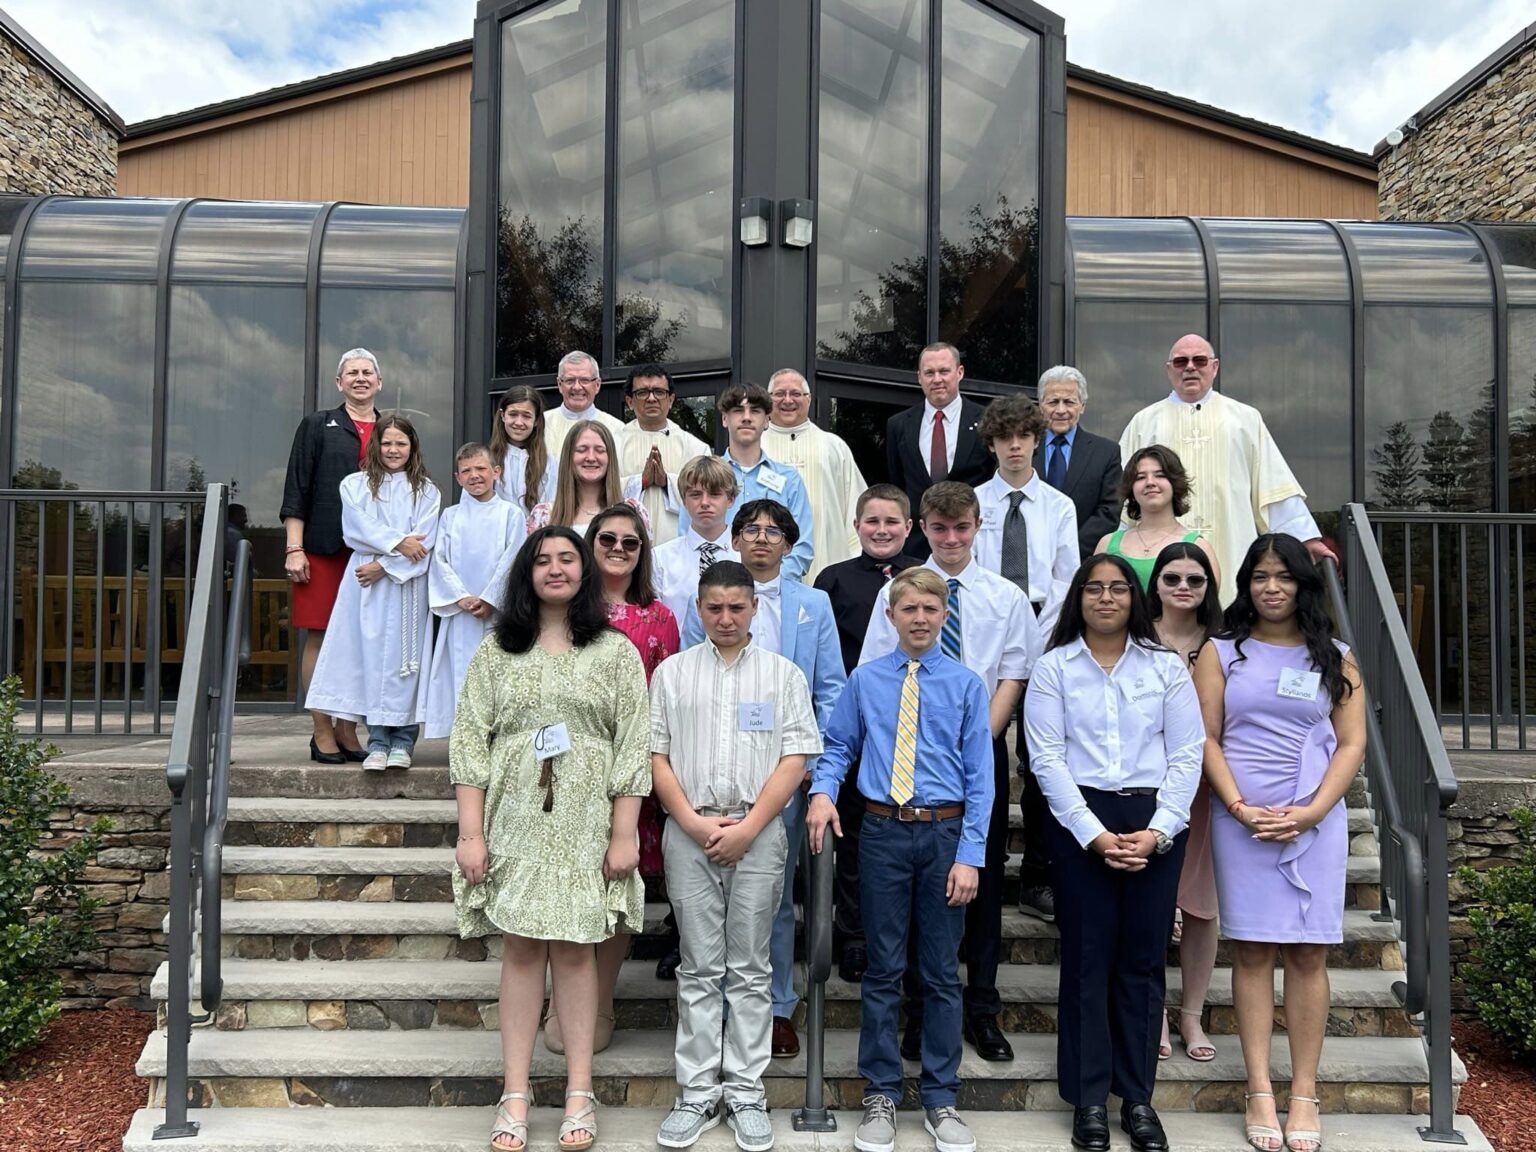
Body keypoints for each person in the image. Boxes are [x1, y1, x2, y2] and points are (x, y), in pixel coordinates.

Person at [450, 526, 650, 1152]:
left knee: (575, 952)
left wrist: (624, 833)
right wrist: (470, 833)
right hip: (515, 821)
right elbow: (468, 743)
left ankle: (578, 1092)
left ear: (585, 570)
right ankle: (514, 1094)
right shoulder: (496, 651)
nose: (556, 569)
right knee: (520, 952)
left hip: (587, 824)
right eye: (543, 560)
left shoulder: (615, 652)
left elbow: (633, 747)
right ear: (527, 574)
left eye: (567, 558)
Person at [1023, 553, 1205, 1152]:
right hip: (1080, 822)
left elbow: (1187, 754)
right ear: (1078, 597)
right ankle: (1088, 1100)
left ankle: (1138, 1098)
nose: (1106, 598)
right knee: (1086, 960)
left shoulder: (1165, 667)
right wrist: (1093, 834)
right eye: (1095, 588)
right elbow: (1046, 759)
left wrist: (1160, 830)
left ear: (1135, 598)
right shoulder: (1053, 668)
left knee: (1143, 962)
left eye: (1118, 588)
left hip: (1154, 819)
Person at [807, 566, 992, 1152]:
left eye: (930, 609)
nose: (919, 618)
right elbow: (839, 745)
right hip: (884, 831)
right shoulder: (866, 680)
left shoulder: (966, 685)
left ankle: (940, 1097)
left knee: (940, 972)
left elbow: (981, 778)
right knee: (883, 968)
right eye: (908, 609)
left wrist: (970, 855)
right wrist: (822, 792)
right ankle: (881, 1093)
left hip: (944, 834)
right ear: (890, 616)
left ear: (944, 616)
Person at [859, 482, 1042, 1063]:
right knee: (919, 897)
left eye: (962, 527)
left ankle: (981, 1009)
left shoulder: (1005, 596)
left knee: (978, 882)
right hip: (909, 759)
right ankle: (919, 1014)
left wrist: (977, 736)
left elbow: (1014, 672)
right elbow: (874, 669)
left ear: (978, 526)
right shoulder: (901, 593)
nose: (952, 538)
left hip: (979, 743)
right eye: (939, 528)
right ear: (923, 528)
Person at [1193, 534, 1365, 1152]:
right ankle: (1260, 1089)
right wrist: (1239, 808)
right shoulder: (1221, 651)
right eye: (1260, 576)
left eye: (1284, 577)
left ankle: (1306, 1093)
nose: (1272, 587)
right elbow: (1206, 738)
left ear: (1302, 585)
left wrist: (1312, 811)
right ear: (1246, 584)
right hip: (1240, 818)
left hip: (1314, 819)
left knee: (1309, 954)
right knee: (1251, 951)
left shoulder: (1337, 656)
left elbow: (1351, 743)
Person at [649, 561, 823, 1152]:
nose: (726, 618)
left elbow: (795, 759)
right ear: (699, 609)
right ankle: (697, 1091)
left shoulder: (782, 675)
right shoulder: (672, 674)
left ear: (754, 608)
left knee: (750, 967)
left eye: (737, 607)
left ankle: (746, 1090)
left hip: (759, 831)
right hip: (690, 829)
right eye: (714, 607)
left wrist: (749, 828)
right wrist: (693, 823)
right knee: (699, 966)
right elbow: (656, 757)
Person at [680, 501, 845, 1059]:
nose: (761, 538)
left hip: (787, 772)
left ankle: (775, 1006)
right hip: (716, 768)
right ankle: (718, 1007)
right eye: (750, 528)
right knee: (713, 898)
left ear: (790, 544)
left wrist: (816, 767)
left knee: (773, 897)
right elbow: (690, 680)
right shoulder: (707, 602)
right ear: (735, 538)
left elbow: (830, 688)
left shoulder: (813, 604)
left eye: (774, 531)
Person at [542, 504, 681, 1058]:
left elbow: (666, 701)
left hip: (632, 768)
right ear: (590, 546)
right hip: (566, 764)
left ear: (642, 552)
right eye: (607, 540)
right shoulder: (564, 610)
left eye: (630, 542)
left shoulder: (660, 617)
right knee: (565, 877)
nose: (619, 549)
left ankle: (599, 997)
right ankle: (560, 996)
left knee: (618, 882)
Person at [1119, 334, 1335, 604]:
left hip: (1233, 548)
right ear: (1169, 369)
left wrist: (1304, 538)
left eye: (1199, 360)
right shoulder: (1143, 422)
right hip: (1161, 553)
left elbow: (1272, 486)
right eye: (1181, 362)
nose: (1190, 367)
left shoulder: (1245, 419)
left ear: (1215, 367)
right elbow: (1125, 494)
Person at [972, 395, 1079, 925]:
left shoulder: (1059, 506)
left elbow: (1066, 579)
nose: (1014, 446)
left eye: (1023, 436)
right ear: (991, 443)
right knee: (982, 754)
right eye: (1004, 437)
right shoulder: (974, 502)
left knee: (1040, 763)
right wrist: (1001, 634)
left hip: (1045, 633)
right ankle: (983, 867)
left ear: (1037, 441)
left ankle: (1037, 877)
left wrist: (1036, 638)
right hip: (984, 638)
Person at [812, 483, 921, 980]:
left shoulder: (923, 576)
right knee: (854, 835)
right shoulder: (832, 580)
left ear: (909, 527)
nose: (881, 530)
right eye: (872, 521)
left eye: (891, 522)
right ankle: (853, 936)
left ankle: (908, 938)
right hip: (855, 725)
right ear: (856, 526)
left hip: (915, 728)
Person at [305, 413, 441, 771]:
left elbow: (424, 544)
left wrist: (384, 565)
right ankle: (377, 741)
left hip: (405, 583)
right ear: (375, 446)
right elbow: (357, 528)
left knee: (405, 662)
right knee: (368, 658)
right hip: (364, 584)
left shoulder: (427, 490)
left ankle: (403, 743)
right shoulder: (355, 485)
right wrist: (398, 542)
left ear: (412, 447)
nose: (393, 450)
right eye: (387, 442)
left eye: (401, 443)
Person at [280, 348, 384, 763]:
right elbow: (297, 488)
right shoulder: (318, 425)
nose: (360, 378)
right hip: (323, 550)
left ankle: (347, 727)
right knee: (321, 637)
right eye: (351, 372)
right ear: (339, 383)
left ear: (379, 382)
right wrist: (294, 547)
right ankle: (321, 727)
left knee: (361, 641)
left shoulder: (390, 430)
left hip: (371, 555)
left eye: (367, 372)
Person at [1146, 541, 1224, 1065]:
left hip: (1208, 787)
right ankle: (1153, 1011)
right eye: (1172, 578)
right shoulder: (1136, 636)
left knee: (1201, 906)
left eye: (1195, 580)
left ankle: (1191, 1013)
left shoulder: (1227, 642)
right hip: (1147, 784)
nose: (1183, 588)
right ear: (1155, 583)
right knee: (1151, 903)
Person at [423, 443, 527, 739]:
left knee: (497, 676)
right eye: (466, 471)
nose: (474, 475)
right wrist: (461, 597)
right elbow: (440, 560)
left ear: (496, 472)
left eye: (481, 468)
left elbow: (513, 559)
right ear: (457, 478)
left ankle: (498, 740)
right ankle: (465, 741)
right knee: (462, 674)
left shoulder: (511, 514)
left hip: (497, 615)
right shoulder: (450, 516)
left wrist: (491, 598)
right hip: (461, 615)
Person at [678, 385, 814, 580]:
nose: (747, 418)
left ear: (767, 420)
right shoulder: (702, 477)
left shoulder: (789, 480)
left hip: (775, 590)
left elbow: (802, 548)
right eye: (738, 410)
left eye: (755, 411)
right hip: (716, 587)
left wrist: (765, 581)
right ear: (724, 419)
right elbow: (687, 538)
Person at [884, 344, 995, 559]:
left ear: (959, 373)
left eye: (944, 371)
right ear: (919, 377)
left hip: (970, 545)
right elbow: (896, 486)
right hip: (916, 548)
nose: (937, 379)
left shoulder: (985, 421)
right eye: (929, 373)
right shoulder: (899, 425)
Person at [760, 368, 866, 580]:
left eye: (796, 393)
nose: (787, 400)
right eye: (779, 394)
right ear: (768, 400)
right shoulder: (755, 446)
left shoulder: (833, 445)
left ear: (808, 399)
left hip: (828, 562)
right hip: (765, 562)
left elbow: (857, 504)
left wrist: (856, 558)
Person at [1097, 445, 1221, 592]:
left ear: (1175, 483)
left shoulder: (1199, 547)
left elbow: (1208, 603)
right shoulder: (1107, 544)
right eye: (1140, 477)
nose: (1150, 482)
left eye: (1160, 475)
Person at [1032, 366, 1124, 559]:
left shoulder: (1106, 452)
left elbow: (1109, 512)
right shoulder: (1022, 449)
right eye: (1053, 402)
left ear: (1082, 406)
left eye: (1069, 402)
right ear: (1040, 406)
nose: (1061, 410)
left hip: (1081, 559)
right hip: (1029, 556)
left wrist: (1068, 550)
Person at [617, 364, 712, 546]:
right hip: (626, 543)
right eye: (642, 393)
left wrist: (667, 482)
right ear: (630, 401)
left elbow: (707, 497)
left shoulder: (695, 448)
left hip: (678, 546)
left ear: (671, 399)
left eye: (659, 392)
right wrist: (640, 482)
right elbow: (600, 493)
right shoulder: (613, 444)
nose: (652, 398)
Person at [652, 456, 742, 633]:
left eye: (714, 494)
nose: (705, 503)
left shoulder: (745, 556)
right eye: (695, 495)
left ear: (731, 499)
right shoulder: (660, 558)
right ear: (684, 500)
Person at [529, 420, 651, 537]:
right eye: (582, 450)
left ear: (610, 457)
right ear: (569, 457)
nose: (591, 458)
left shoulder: (635, 512)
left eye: (600, 450)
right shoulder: (543, 516)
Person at [544, 350, 626, 458]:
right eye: (570, 380)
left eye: (584, 380)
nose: (577, 387)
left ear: (597, 385)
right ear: (559, 384)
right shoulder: (541, 425)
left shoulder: (617, 429)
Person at [491, 385, 558, 512]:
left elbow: (553, 506)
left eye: (526, 416)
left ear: (536, 420)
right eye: (513, 414)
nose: (519, 422)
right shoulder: (486, 461)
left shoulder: (550, 463)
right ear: (503, 415)